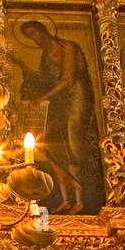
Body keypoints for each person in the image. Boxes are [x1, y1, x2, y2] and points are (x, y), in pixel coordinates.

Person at [17, 20, 100, 212]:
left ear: (44, 31)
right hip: (58, 100)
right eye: (30, 37)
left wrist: (43, 98)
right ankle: (65, 199)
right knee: (53, 144)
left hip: (76, 96)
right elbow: (45, 80)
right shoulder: (45, 55)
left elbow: (68, 79)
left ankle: (81, 198)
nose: (35, 39)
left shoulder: (67, 47)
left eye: (36, 34)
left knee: (73, 138)